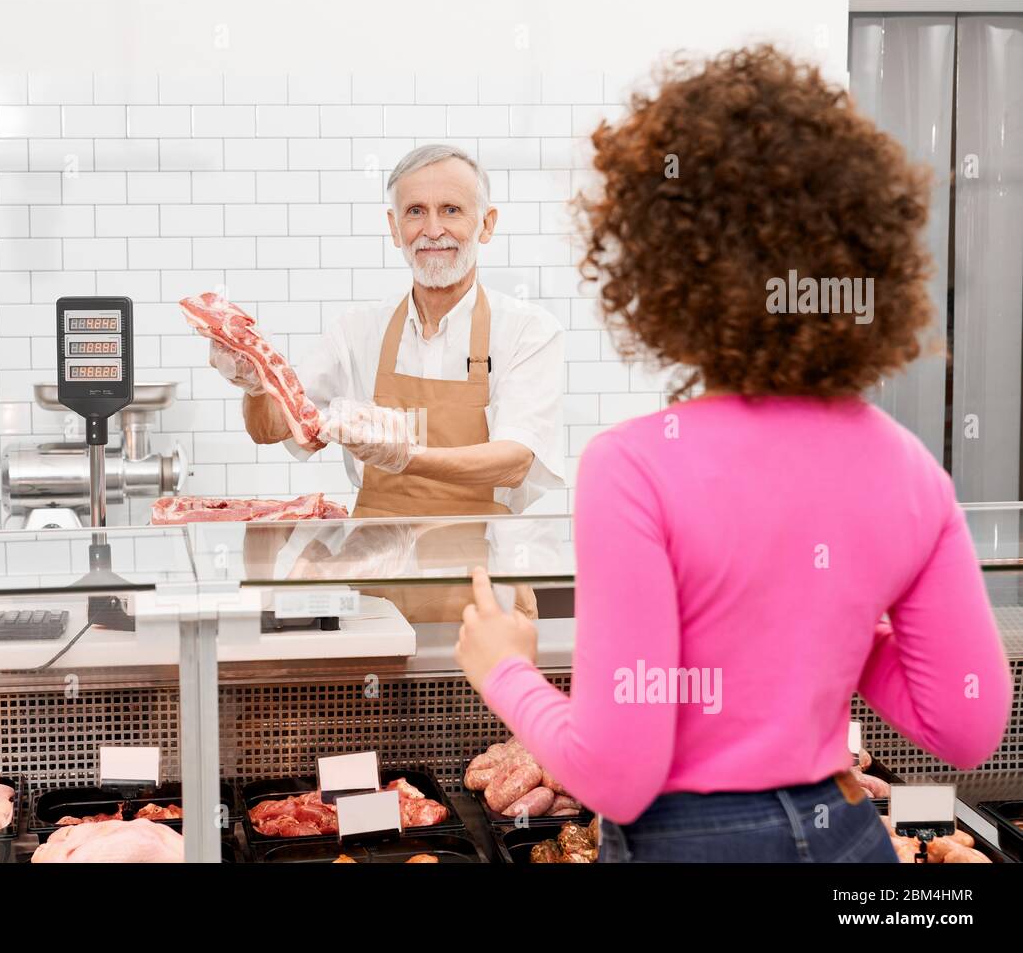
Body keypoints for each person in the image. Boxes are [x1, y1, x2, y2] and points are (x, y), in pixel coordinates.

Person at [454, 45, 1013, 862]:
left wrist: (506, 670)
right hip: (852, 842)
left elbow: (617, 774)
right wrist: (830, 626)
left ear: (662, 267)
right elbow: (965, 725)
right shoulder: (908, 466)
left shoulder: (634, 468)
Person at [212, 144, 565, 622]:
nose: (433, 229)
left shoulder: (525, 329)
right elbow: (274, 427)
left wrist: (407, 457)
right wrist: (256, 383)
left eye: (452, 210)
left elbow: (515, 461)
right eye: (415, 211)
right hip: (371, 587)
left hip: (482, 590)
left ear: (486, 223)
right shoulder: (357, 331)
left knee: (471, 699)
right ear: (394, 227)